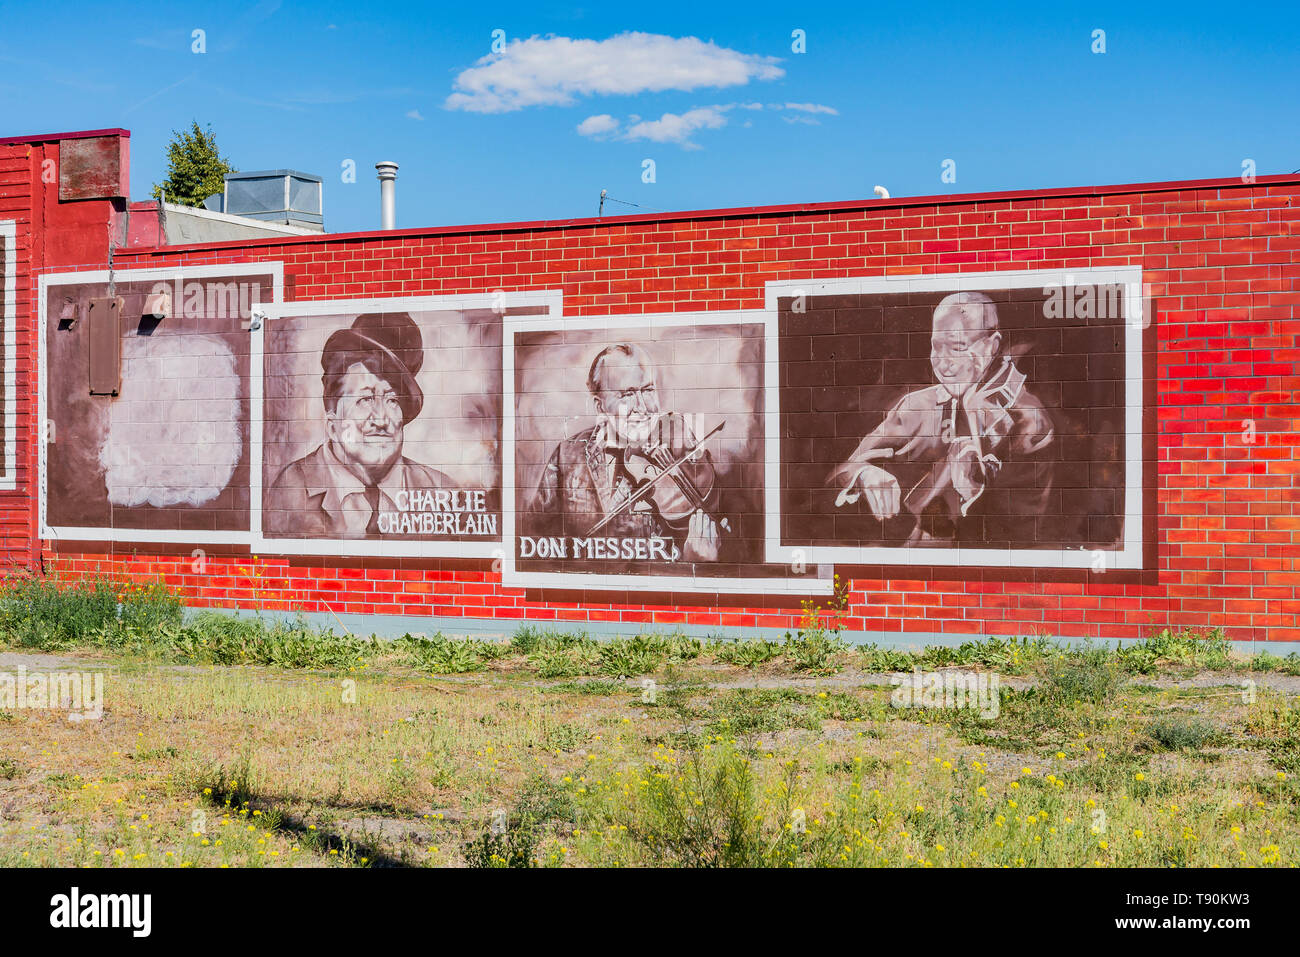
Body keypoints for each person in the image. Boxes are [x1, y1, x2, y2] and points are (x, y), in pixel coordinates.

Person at [827, 291, 1056, 546]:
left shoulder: (1028, 423)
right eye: (936, 347)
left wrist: (974, 493)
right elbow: (842, 472)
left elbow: (1015, 536)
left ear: (991, 346)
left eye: (958, 347)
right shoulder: (918, 405)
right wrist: (865, 475)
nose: (945, 364)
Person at [526, 342, 727, 562]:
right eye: (627, 394)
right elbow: (534, 537)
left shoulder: (679, 445)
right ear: (600, 406)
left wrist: (694, 561)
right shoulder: (567, 454)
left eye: (648, 390)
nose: (642, 407)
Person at [265, 312, 451, 538]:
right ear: (332, 423)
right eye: (365, 399)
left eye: (392, 400)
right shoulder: (292, 489)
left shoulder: (442, 491)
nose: (381, 420)